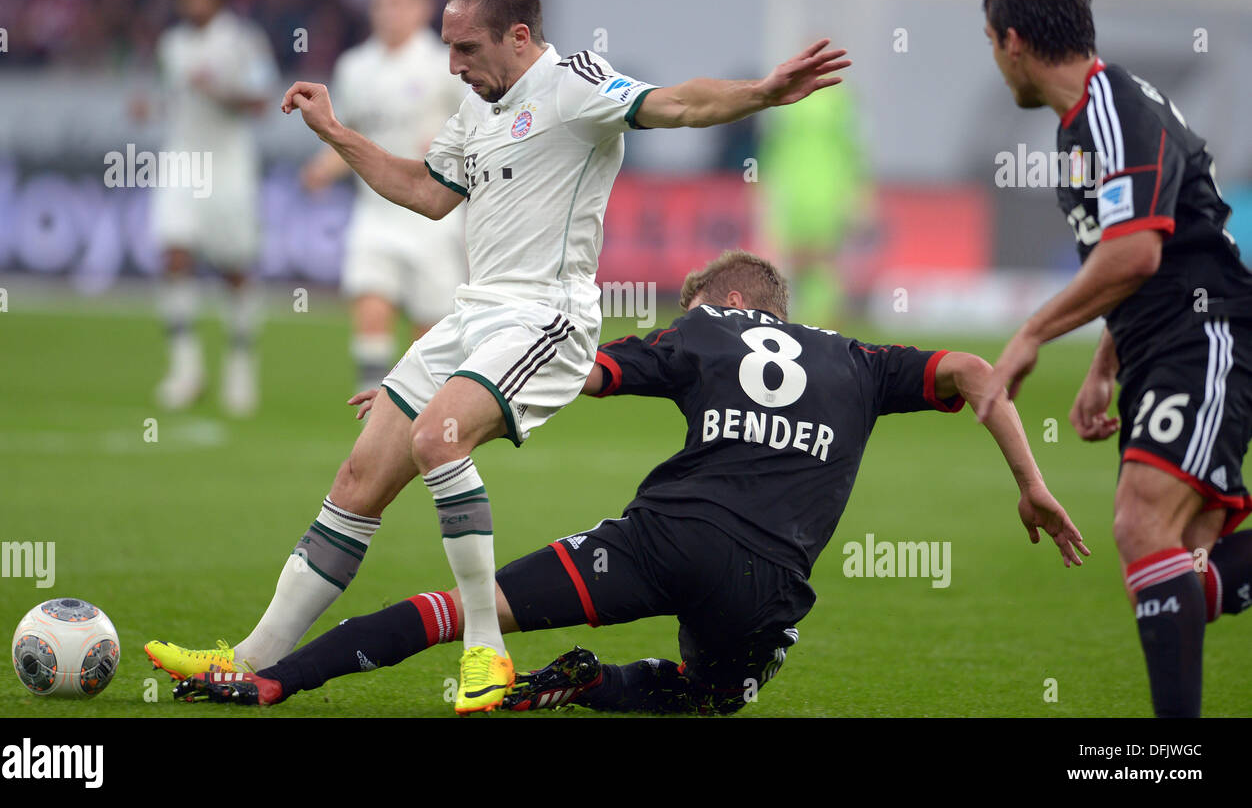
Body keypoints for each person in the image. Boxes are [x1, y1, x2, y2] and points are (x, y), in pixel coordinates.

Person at [145, 0, 852, 713]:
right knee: (359, 478)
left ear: (519, 36)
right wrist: (336, 133)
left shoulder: (576, 84)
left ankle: (487, 648)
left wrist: (761, 95)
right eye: (448, 47)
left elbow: (675, 102)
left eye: (466, 47)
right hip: (473, 315)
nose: (453, 63)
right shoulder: (476, 105)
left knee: (438, 437)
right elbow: (426, 192)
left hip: (548, 316)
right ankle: (249, 657)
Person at [170, 250, 1088, 715]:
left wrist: (434, 396)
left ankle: (273, 685)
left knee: (460, 608)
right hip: (767, 583)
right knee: (707, 695)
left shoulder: (699, 333)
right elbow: (973, 369)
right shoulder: (860, 360)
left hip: (657, 543)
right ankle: (588, 682)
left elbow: (576, 371)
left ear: (726, 303)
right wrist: (1031, 482)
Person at [975, 0, 1252, 717]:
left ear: (1014, 40)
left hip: (1206, 335)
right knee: (1184, 560)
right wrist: (1105, 361)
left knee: (1140, 523)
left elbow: (1135, 252)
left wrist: (1032, 332)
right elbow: (1122, 256)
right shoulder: (1078, 132)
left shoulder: (1115, 111)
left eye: (991, 44)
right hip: (1162, 341)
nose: (995, 60)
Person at [299, 0, 468, 391]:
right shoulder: (355, 67)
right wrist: (323, 168)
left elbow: (479, 124)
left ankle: (415, 425)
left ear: (420, 8)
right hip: (374, 215)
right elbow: (350, 138)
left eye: (398, 4)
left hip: (433, 217)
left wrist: (450, 143)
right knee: (370, 308)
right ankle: (371, 432)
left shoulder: (443, 63)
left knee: (429, 338)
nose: (388, 13)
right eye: (381, 4)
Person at [147, 0, 279, 416]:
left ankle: (241, 365)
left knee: (234, 268)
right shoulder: (172, 44)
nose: (195, 3)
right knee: (174, 253)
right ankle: (186, 369)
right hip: (183, 162)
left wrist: (222, 90)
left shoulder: (245, 40)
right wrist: (152, 108)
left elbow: (263, 99)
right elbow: (174, 97)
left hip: (228, 168)